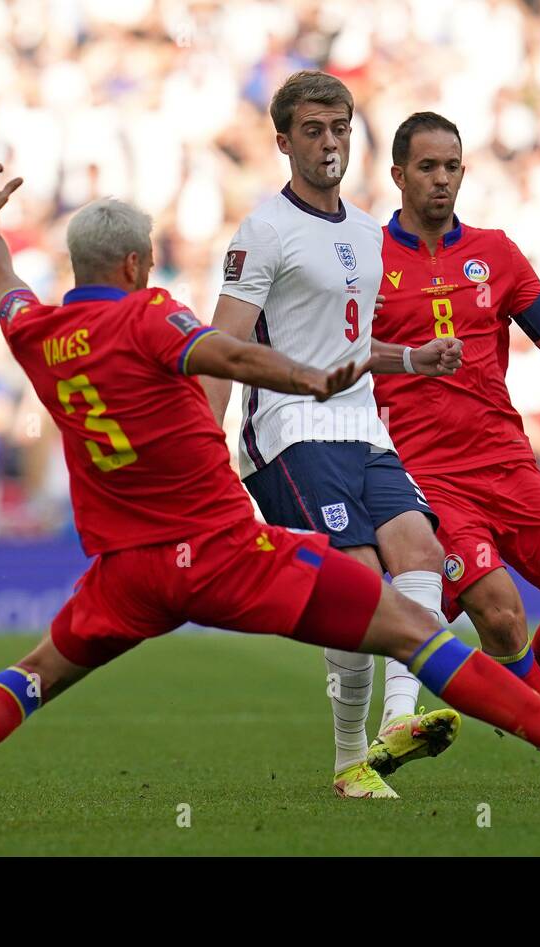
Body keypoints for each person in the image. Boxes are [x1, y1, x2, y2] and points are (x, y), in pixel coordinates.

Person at [0, 164, 540, 826]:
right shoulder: (150, 314)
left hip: (126, 573)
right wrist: (308, 377)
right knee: (414, 629)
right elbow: (231, 353)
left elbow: (1, 280)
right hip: (226, 557)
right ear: (137, 263)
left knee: (31, 674)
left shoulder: (37, 330)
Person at [202, 72, 465, 798]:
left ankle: (397, 723)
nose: (329, 143)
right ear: (284, 142)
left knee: (421, 553)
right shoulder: (264, 231)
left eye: (340, 128)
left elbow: (349, 344)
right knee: (356, 581)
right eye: (313, 130)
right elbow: (222, 347)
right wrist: (207, 451)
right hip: (290, 428)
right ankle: (350, 760)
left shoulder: (367, 232)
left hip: (362, 423)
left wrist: (410, 359)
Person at [372, 113, 540, 791]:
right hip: (425, 478)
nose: (442, 179)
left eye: (452, 166)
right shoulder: (365, 259)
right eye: (427, 167)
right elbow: (337, 354)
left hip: (508, 463)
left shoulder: (497, 252)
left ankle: (509, 686)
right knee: (502, 611)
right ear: (398, 175)